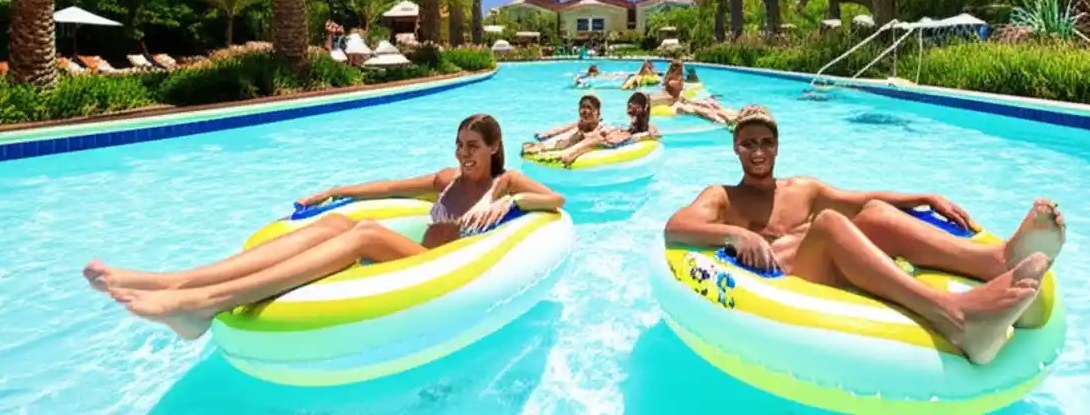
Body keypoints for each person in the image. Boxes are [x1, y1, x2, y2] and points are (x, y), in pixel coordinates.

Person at [83, 114, 566, 341]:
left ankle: (206, 304)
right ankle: (173, 282)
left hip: (444, 267)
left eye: (473, 145)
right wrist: (335, 190)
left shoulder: (504, 182)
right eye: (459, 144)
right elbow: (388, 186)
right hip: (410, 259)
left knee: (366, 234)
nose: (463, 153)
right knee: (337, 222)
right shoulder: (446, 180)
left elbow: (556, 201)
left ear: (494, 147)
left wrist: (511, 201)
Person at [663, 105, 1066, 366]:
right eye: (749, 143)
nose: (758, 151)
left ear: (777, 148)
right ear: (735, 147)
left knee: (872, 213)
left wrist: (925, 196)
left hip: (828, 262)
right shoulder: (722, 196)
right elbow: (676, 227)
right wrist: (736, 234)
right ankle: (955, 317)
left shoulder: (803, 189)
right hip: (787, 277)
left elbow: (862, 199)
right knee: (829, 224)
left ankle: (996, 261)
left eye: (766, 143)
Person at [534, 92, 661, 166]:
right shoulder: (629, 125)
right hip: (614, 139)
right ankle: (558, 150)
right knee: (597, 136)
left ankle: (570, 152)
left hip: (621, 141)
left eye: (635, 108)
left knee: (598, 137)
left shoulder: (648, 127)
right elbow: (571, 126)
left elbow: (652, 135)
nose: (631, 110)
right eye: (630, 107)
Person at [523, 95, 604, 155]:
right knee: (573, 133)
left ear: (598, 112)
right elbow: (566, 127)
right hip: (574, 140)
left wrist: (572, 152)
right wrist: (548, 134)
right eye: (582, 107)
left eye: (589, 108)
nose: (585, 111)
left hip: (589, 144)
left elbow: (597, 139)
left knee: (585, 135)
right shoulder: (581, 124)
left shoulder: (602, 129)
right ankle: (541, 146)